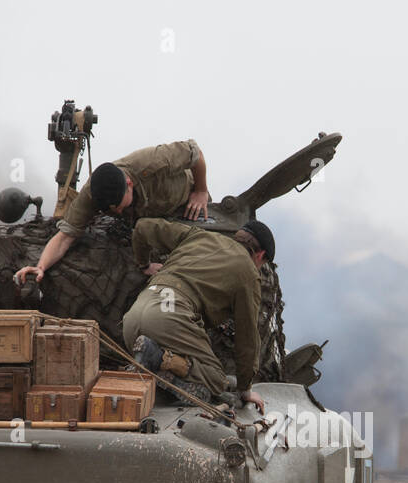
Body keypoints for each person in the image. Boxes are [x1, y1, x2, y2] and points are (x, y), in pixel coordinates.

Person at [122, 218, 274, 409]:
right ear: (261, 255)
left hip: (132, 320)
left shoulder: (198, 235)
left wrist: (144, 265)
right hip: (169, 318)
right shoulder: (249, 272)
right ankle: (157, 358)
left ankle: (156, 359)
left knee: (189, 359)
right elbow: (248, 338)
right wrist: (245, 389)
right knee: (216, 379)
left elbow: (142, 227)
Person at [15, 140, 210, 285]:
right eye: (111, 210)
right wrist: (40, 267)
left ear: (129, 184)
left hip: (185, 201)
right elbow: (66, 236)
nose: (116, 211)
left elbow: (195, 152)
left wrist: (201, 190)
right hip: (148, 220)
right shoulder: (92, 193)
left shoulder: (152, 162)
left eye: (118, 205)